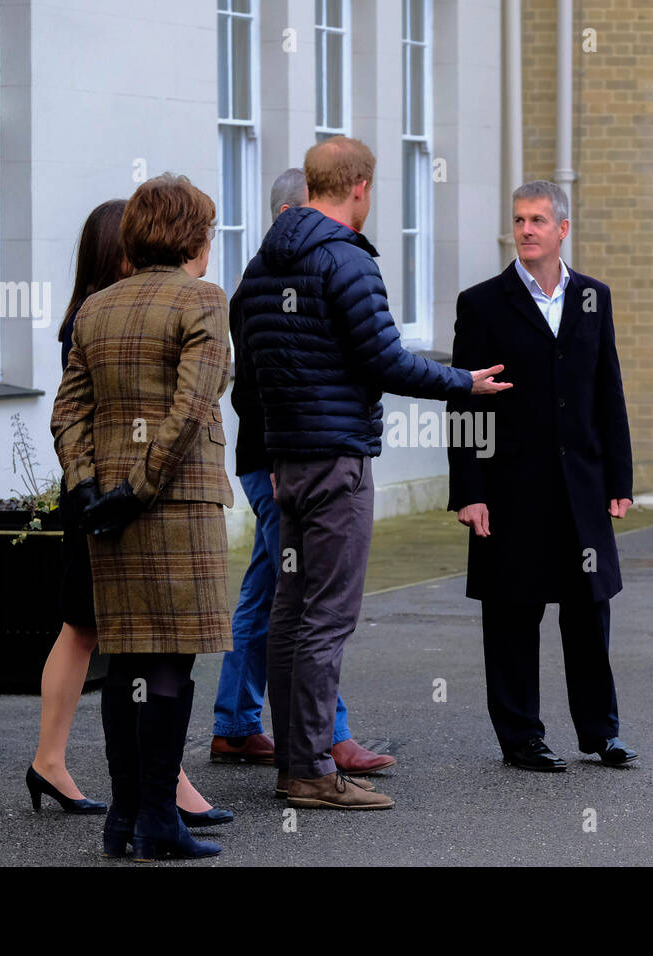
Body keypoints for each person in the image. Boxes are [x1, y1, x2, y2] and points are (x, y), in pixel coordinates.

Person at [232, 137, 509, 809]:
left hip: (287, 467)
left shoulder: (262, 266)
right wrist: (463, 383)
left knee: (292, 613)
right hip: (335, 465)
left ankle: (297, 763)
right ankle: (312, 773)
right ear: (358, 187)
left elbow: (255, 373)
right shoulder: (344, 262)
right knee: (326, 618)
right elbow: (385, 360)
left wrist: (270, 455)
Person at [30, 199, 231, 830]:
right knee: (170, 660)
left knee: (122, 660)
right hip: (172, 506)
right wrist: (138, 490)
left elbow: (67, 414)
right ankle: (159, 823)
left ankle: (125, 821)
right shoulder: (201, 299)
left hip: (109, 510)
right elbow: (192, 410)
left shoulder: (95, 307)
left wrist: (91, 488)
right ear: (191, 237)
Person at [446, 180, 638, 772]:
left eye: (536, 220)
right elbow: (465, 406)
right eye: (518, 220)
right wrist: (469, 492)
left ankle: (600, 732)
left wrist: (619, 478)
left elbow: (608, 389)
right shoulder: (481, 303)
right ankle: (521, 737)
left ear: (562, 229)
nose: (525, 229)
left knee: (588, 609)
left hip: (580, 483)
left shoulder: (592, 299)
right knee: (511, 611)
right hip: (510, 488)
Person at [210, 168, 394, 776]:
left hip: (274, 459)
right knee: (311, 601)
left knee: (274, 589)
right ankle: (322, 738)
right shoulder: (302, 271)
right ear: (298, 211)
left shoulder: (256, 279)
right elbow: (265, 389)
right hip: (284, 461)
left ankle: (239, 722)